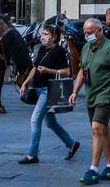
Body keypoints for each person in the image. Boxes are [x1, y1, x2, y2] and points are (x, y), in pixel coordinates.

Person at [69, 17, 110, 184]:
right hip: (91, 94)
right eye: (85, 32)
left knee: (96, 129)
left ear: (100, 31)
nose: (87, 35)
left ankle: (93, 169)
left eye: (90, 32)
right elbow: (82, 70)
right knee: (103, 130)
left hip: (106, 95)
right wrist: (74, 91)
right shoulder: (87, 47)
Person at [18, 23, 80, 165]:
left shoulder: (59, 52)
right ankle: (71, 143)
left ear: (54, 37)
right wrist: (25, 83)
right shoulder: (41, 49)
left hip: (48, 90)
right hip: (37, 89)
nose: (43, 36)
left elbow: (67, 72)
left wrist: (48, 71)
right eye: (43, 34)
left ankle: (32, 155)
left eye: (46, 34)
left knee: (35, 120)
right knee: (51, 123)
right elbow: (34, 68)